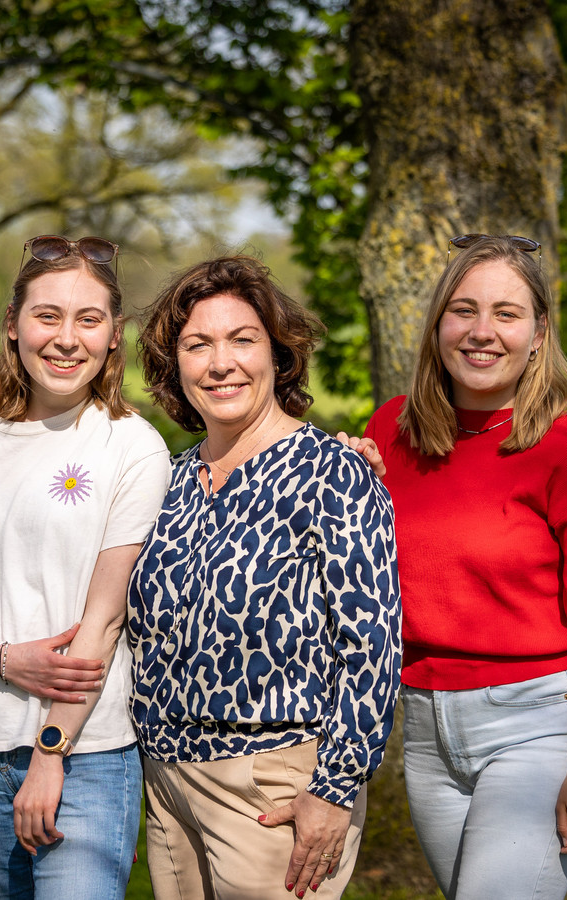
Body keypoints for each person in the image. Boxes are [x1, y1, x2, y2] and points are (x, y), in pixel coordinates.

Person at [0, 234, 172, 899]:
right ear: (14, 324)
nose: (66, 338)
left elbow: (104, 621)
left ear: (114, 335)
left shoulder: (131, 446)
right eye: (47, 315)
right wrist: (4, 660)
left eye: (88, 319)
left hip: (86, 753)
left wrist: (50, 754)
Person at [362, 233, 567, 900]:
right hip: (424, 727)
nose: (482, 331)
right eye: (464, 310)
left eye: (506, 314)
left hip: (538, 728)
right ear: (437, 325)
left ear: (538, 334)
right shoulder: (391, 431)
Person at [128, 255, 402, 900]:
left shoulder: (332, 473)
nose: (220, 363)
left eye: (242, 340)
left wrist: (336, 788)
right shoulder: (167, 478)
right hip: (165, 781)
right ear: (175, 366)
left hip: (273, 784)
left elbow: (372, 645)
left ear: (278, 356)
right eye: (197, 345)